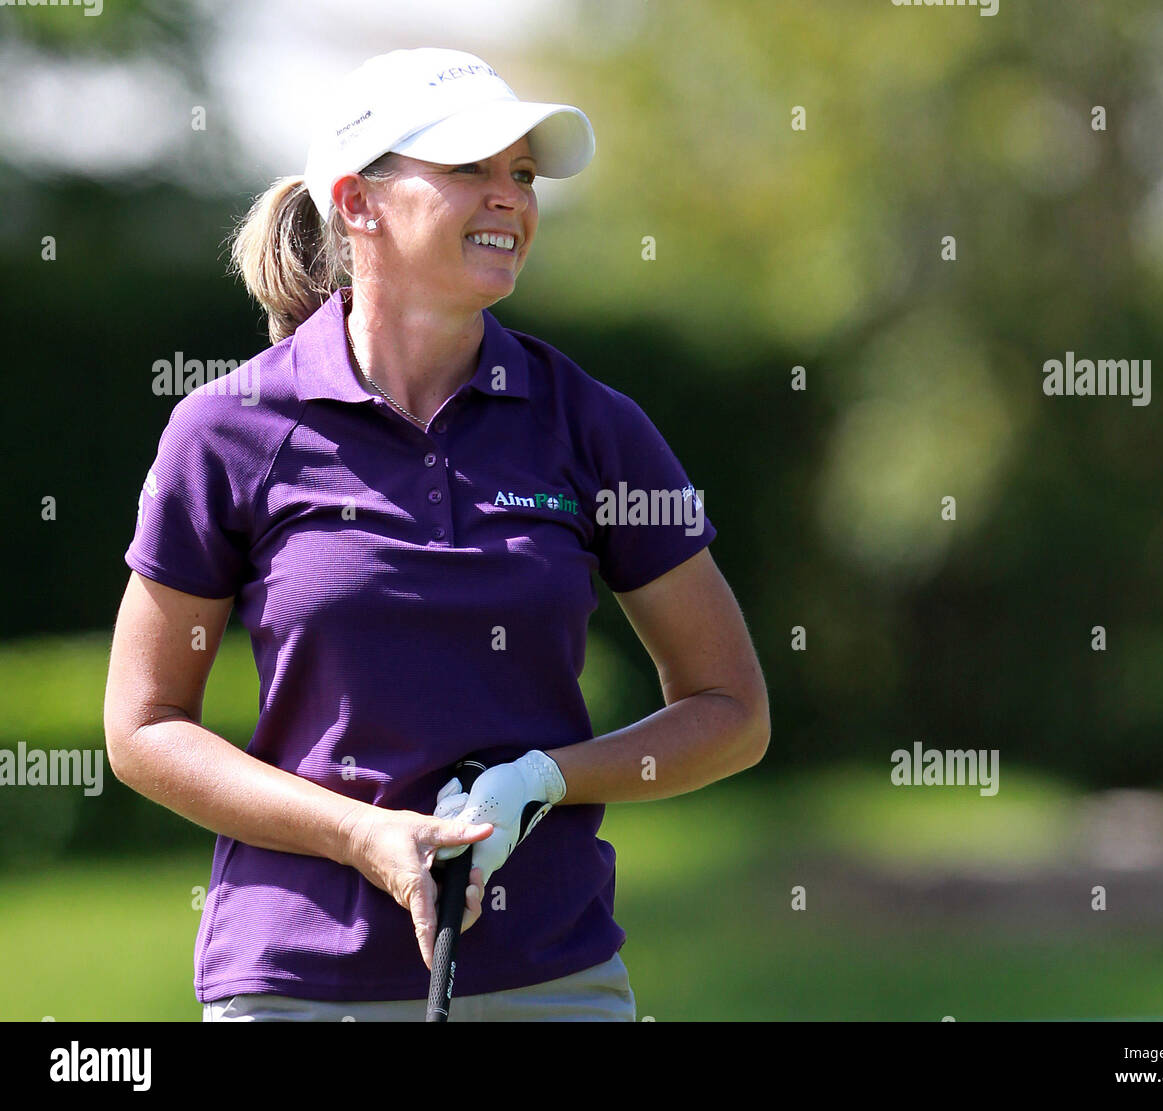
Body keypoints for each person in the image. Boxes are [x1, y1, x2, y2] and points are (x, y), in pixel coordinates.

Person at [103, 46, 769, 1022]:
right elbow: (144, 726)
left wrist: (544, 778)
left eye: (524, 175)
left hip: (550, 975)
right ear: (356, 201)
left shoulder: (592, 424)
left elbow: (731, 710)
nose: (511, 199)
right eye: (468, 169)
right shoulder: (229, 429)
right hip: (293, 982)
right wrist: (359, 835)